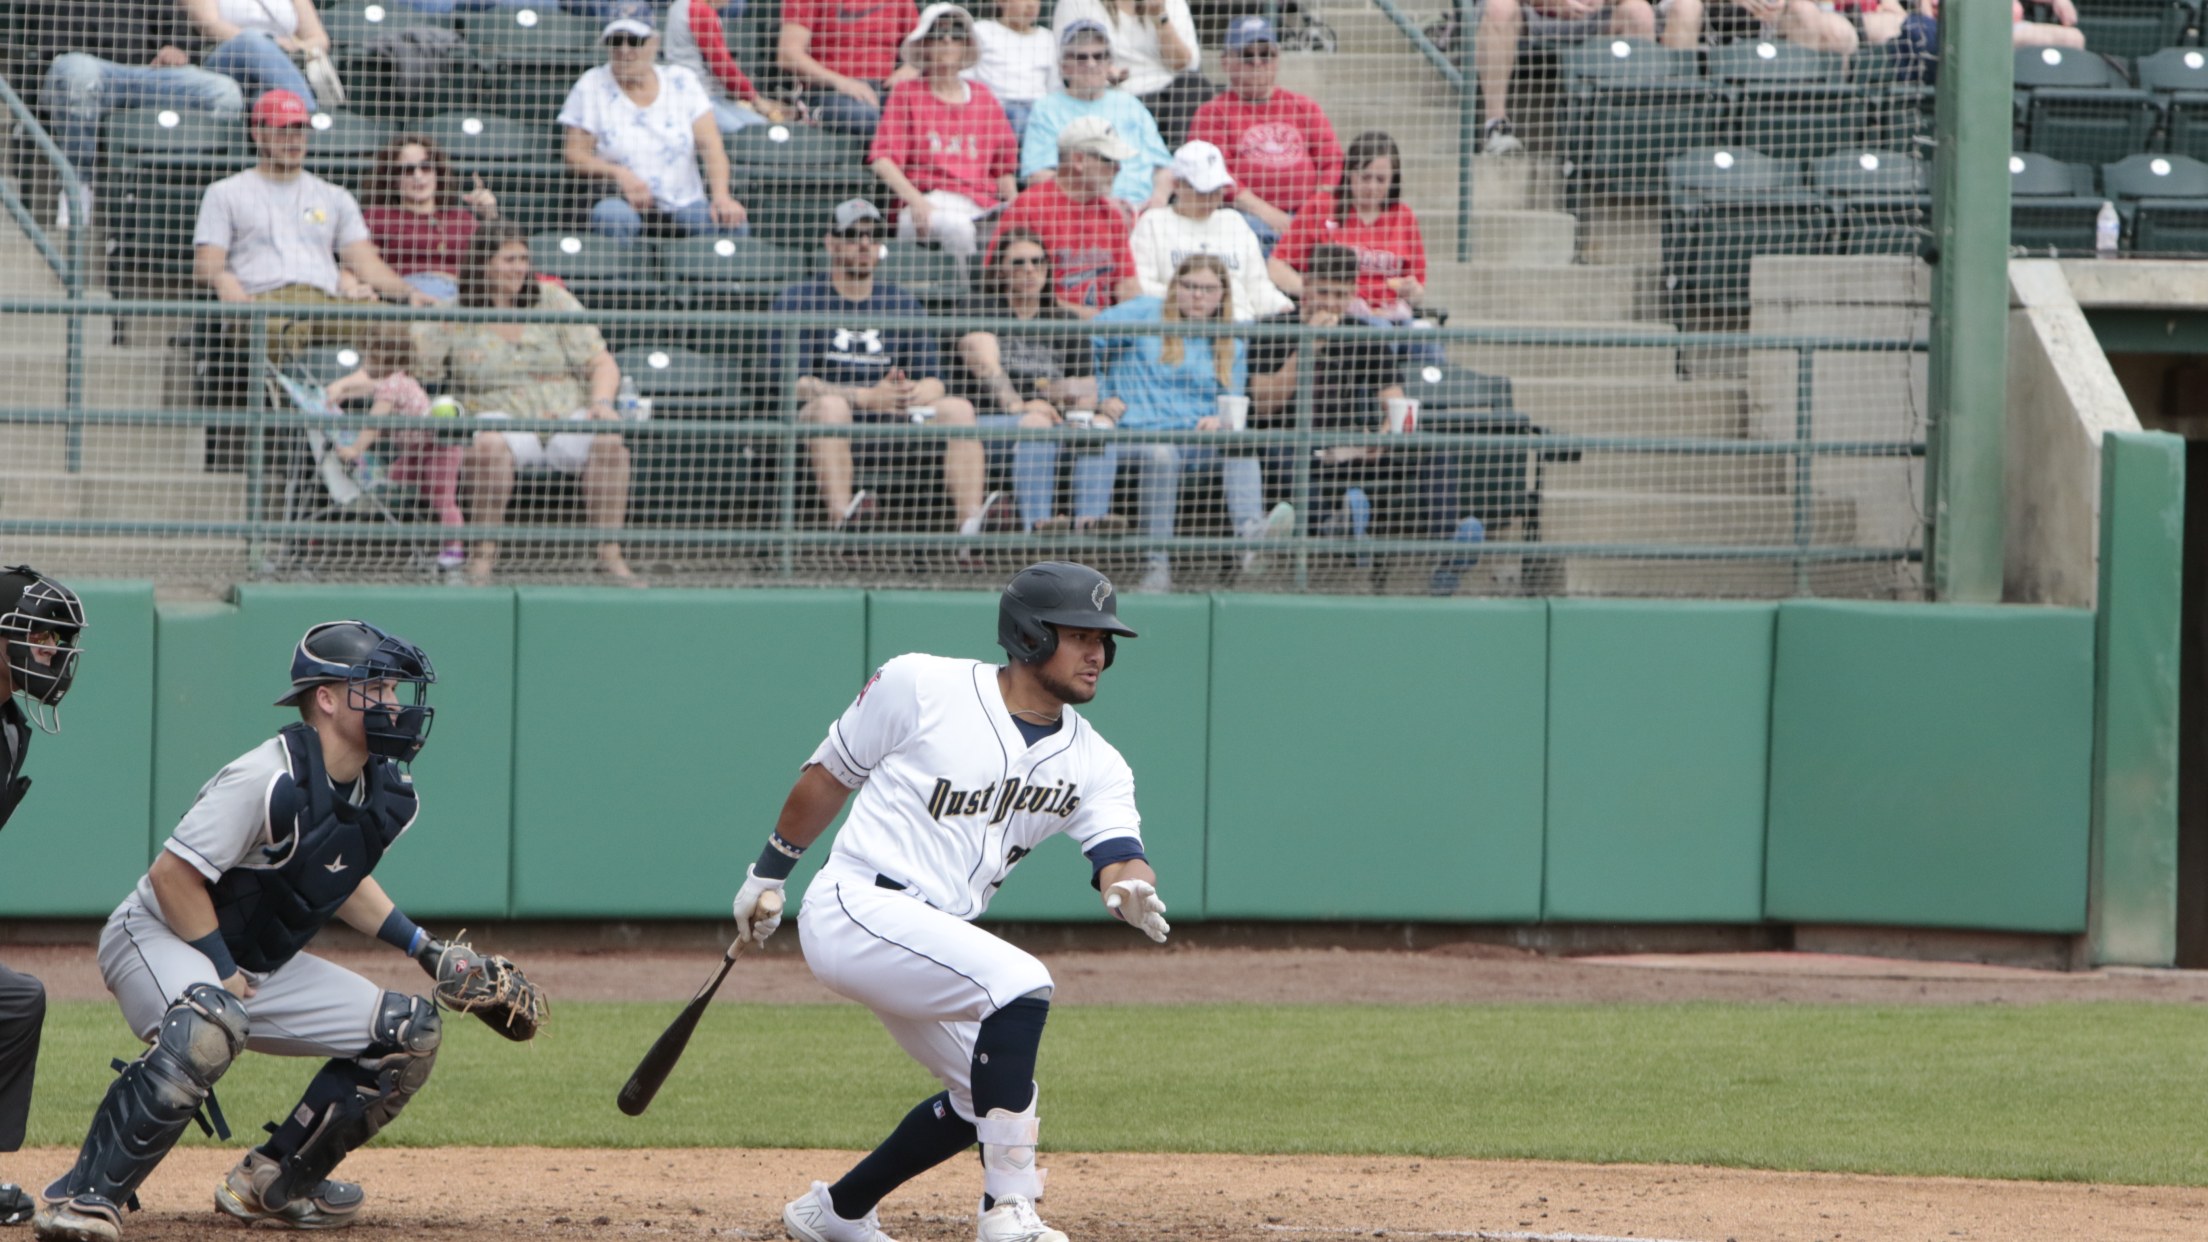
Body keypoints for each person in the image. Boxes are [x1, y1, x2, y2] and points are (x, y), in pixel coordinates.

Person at [31, 620, 536, 1242]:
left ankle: (274, 1184)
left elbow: (334, 875)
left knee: (410, 1033)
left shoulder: (389, 792)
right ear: (327, 698)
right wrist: (220, 968)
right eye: (377, 688)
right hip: (159, 938)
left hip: (249, 968)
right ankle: (81, 1199)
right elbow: (172, 877)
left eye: (395, 690)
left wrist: (425, 950)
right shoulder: (265, 778)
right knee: (210, 1024)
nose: (395, 705)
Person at [742, 558, 1169, 1242]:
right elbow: (829, 776)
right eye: (1081, 634)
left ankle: (834, 1212)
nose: (1099, 652)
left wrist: (1129, 884)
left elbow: (1117, 850)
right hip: (857, 905)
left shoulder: (1097, 762)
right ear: (1030, 635)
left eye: (1105, 640)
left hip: (932, 934)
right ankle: (1006, 1210)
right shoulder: (922, 685)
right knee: (1022, 982)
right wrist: (768, 875)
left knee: (996, 1093)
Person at [411, 222, 642, 586]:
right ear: (483, 265)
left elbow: (600, 361)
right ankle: (483, 557)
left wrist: (601, 402)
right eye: (508, 260)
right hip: (498, 415)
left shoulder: (552, 299)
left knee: (610, 443)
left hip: (565, 411)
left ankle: (609, 555)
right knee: (488, 444)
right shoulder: (454, 312)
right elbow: (419, 364)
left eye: (522, 259)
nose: (518, 268)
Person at [1247, 244, 1482, 593]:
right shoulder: (1271, 329)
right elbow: (1264, 405)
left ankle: (1448, 548)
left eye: (1340, 294)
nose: (1329, 302)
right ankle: (1334, 527)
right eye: (1322, 291)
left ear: (1352, 293)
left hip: (1348, 448)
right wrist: (1308, 346)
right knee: (1281, 451)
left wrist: (1382, 437)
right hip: (1292, 449)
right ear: (1305, 287)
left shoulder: (1364, 334)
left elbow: (1396, 406)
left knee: (1432, 450)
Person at [770, 200, 998, 536]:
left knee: (958, 409)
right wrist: (864, 396)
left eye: (873, 236)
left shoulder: (901, 302)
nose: (864, 244)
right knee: (831, 408)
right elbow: (794, 384)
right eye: (852, 235)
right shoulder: (799, 299)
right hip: (827, 418)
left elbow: (935, 380)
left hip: (894, 417)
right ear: (830, 242)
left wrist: (914, 392)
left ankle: (970, 530)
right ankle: (842, 525)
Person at [1076, 253, 1293, 593]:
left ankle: (1253, 540)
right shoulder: (1145, 311)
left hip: (1195, 440)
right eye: (1189, 286)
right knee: (1161, 454)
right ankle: (1156, 568)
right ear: (1175, 287)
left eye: (1208, 289)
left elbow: (1231, 402)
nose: (1197, 296)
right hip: (1137, 435)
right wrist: (1102, 394)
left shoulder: (1230, 340)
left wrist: (1219, 421)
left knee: (1239, 442)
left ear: (1222, 294)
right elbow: (1086, 339)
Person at [194, 89, 436, 359]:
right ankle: (284, 400)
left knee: (399, 327)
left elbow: (366, 262)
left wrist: (407, 292)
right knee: (276, 331)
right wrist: (222, 279)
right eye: (283, 131)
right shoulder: (225, 192)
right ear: (257, 133)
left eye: (300, 130)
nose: (294, 140)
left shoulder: (334, 195)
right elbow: (207, 265)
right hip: (264, 301)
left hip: (328, 301)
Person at [0, 568, 87, 1230]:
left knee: (17, 999)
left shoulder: (10, 727)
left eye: (54, 641)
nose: (50, 653)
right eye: (35, 637)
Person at [34, 0, 244, 230]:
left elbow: (177, 27)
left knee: (225, 92)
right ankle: (76, 187)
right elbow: (54, 49)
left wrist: (175, 48)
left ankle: (195, 186)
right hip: (89, 70)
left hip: (148, 74)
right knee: (79, 74)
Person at [959, 231, 1114, 534]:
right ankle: (1037, 528)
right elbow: (985, 364)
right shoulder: (979, 309)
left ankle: (1090, 527)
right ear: (1000, 270)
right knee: (1035, 424)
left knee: (1096, 430)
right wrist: (1021, 404)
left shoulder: (1065, 321)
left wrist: (1076, 411)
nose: (1029, 270)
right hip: (991, 424)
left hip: (1053, 420)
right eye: (1018, 263)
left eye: (1037, 262)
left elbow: (1085, 390)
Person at [560, 1, 749, 242]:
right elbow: (575, 155)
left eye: (635, 41)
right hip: (620, 198)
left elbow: (711, 146)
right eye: (616, 41)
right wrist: (618, 174)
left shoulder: (682, 81)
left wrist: (722, 196)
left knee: (732, 223)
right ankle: (621, 278)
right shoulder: (591, 84)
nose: (624, 50)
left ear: (654, 42)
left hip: (683, 201)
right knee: (613, 217)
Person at [870, 5, 1020, 258]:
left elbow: (1002, 169)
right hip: (926, 204)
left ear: (966, 45)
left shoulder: (984, 97)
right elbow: (882, 160)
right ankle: (964, 298)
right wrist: (916, 200)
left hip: (980, 205)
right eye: (939, 34)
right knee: (957, 228)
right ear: (925, 45)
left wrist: (1017, 209)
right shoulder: (907, 93)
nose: (948, 40)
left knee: (1020, 233)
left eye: (957, 34)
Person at [1185, 16, 1341, 253]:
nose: (1257, 62)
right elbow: (1216, 175)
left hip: (1307, 213)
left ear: (1277, 59)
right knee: (1250, 233)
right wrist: (1270, 215)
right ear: (1226, 62)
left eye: (1266, 53)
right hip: (1247, 215)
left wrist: (1314, 209)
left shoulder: (1304, 107)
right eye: (1247, 55)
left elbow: (1333, 162)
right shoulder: (1212, 113)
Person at [324, 323, 469, 572]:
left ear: (381, 358)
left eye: (367, 357)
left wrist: (355, 449)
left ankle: (454, 548)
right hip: (417, 452)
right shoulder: (393, 380)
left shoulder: (393, 385)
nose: (364, 364)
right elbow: (370, 387)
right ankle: (405, 533)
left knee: (442, 497)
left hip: (438, 449)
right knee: (392, 480)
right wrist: (343, 393)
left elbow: (375, 423)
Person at [990, 116, 1142, 316]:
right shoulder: (1029, 207)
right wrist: (1095, 319)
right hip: (1050, 331)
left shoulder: (1111, 213)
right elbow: (1005, 286)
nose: (1117, 168)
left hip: (1107, 333)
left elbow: (1127, 285)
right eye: (1108, 160)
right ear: (1078, 160)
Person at [1268, 130, 1426, 322]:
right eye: (1365, 177)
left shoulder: (1404, 216)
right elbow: (1276, 266)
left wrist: (1412, 290)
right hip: (1342, 315)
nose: (1372, 187)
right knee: (1379, 330)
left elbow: (1418, 290)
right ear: (1349, 173)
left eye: (1381, 180)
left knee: (1428, 345)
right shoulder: (1321, 207)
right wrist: (1318, 295)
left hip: (1393, 313)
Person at [1475, 0, 1668, 155]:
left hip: (1594, 15)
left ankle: (1630, 131)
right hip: (1530, 12)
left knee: (1639, 12)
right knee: (1497, 6)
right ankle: (1495, 127)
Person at [1018, 20, 1175, 212]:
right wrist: (1096, 204)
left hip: (1142, 210)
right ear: (1064, 67)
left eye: (1099, 56)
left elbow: (1165, 169)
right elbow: (1038, 175)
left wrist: (1157, 202)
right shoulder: (1046, 108)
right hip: (1080, 213)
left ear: (1109, 64)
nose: (1091, 64)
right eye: (1081, 57)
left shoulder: (1131, 105)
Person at [1129, 140, 1292, 322]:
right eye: (1202, 191)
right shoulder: (1153, 223)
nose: (1211, 198)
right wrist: (1197, 300)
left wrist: (1285, 308)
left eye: (1217, 190)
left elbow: (1257, 285)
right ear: (1177, 185)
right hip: (1179, 325)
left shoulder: (1234, 222)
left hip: (1240, 326)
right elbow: (1141, 285)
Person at [361, 135, 499, 304]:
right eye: (408, 170)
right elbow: (360, 264)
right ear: (392, 179)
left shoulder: (463, 219)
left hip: (459, 300)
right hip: (404, 301)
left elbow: (497, 265)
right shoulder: (378, 216)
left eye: (426, 167)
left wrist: (490, 216)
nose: (418, 176)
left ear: (438, 173)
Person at [1050, 0, 1209, 146]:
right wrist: (1103, 73)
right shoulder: (1075, 3)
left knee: (1194, 84)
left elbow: (1186, 64)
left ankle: (1179, 156)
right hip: (1114, 95)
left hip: (1167, 99)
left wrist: (1159, 16)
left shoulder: (1172, 3)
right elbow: (1066, 62)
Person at [778, 0, 921, 135]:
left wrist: (911, 69)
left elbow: (925, 48)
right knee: (865, 117)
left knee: (925, 116)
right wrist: (843, 83)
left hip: (885, 89)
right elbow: (788, 55)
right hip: (829, 90)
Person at [664, 0, 791, 133]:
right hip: (695, 100)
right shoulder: (698, 8)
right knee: (747, 133)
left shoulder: (686, 5)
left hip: (707, 97)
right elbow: (722, 66)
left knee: (759, 125)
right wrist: (756, 100)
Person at [182, 0, 329, 112]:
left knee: (263, 97)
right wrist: (267, 43)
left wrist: (295, 46)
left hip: (281, 62)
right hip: (225, 57)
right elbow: (209, 26)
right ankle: (308, 112)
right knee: (250, 40)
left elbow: (320, 39)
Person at [965, 0, 1058, 139]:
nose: (1031, 4)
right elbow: (967, 79)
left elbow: (1054, 88)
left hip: (1039, 116)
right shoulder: (982, 31)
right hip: (995, 112)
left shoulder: (1049, 39)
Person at [1665, 0, 1863, 54]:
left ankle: (1798, 106)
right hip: (1706, 12)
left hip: (1775, 17)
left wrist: (1784, 4)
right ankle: (1683, 104)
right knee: (1685, 7)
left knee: (1841, 35)